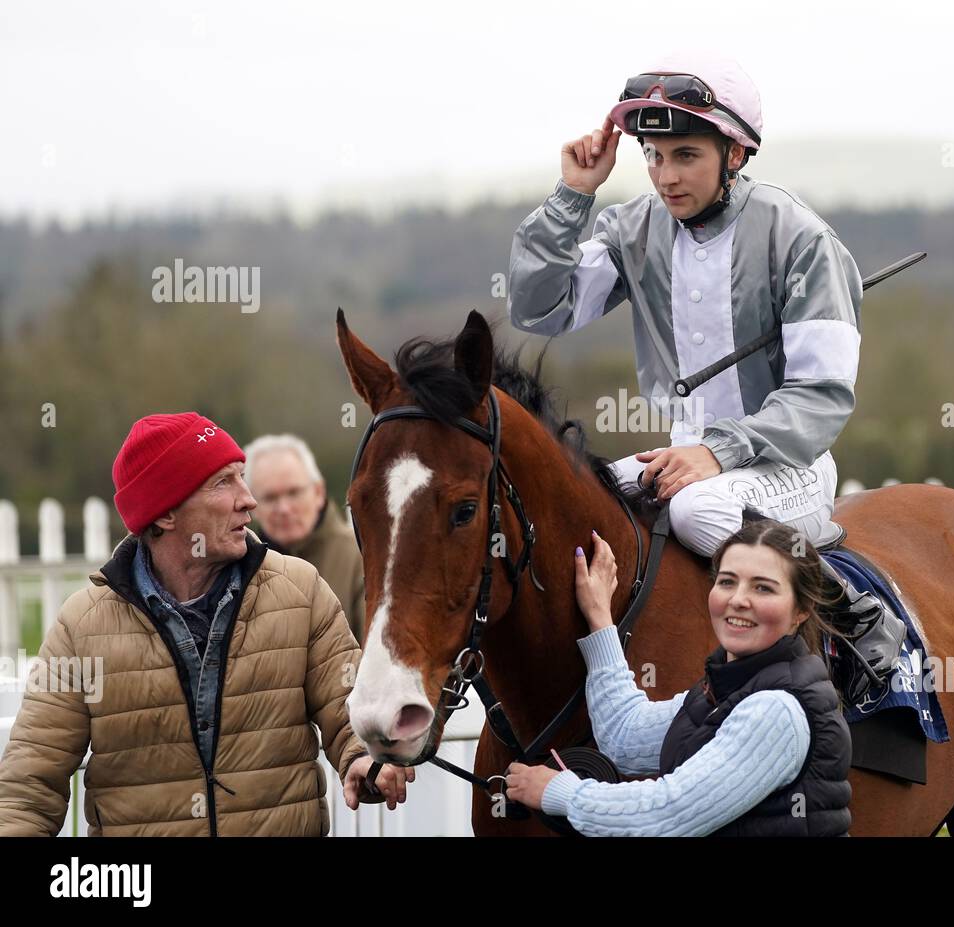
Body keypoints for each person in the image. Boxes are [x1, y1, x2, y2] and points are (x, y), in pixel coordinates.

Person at [506, 50, 905, 678]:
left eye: (686, 156)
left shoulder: (801, 239)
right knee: (579, 501)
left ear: (736, 153)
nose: (666, 177)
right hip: (689, 460)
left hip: (788, 468)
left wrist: (717, 453)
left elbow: (821, 397)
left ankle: (847, 610)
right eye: (655, 158)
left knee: (696, 511)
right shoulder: (634, 228)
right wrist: (570, 197)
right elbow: (539, 309)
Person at [0, 412, 412, 836]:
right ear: (164, 515)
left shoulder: (300, 591)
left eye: (241, 477)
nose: (249, 499)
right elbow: (29, 786)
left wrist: (364, 758)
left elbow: (348, 712)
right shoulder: (82, 626)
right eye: (222, 483)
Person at [504, 518, 852, 836]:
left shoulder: (775, 709)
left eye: (763, 588)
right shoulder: (722, 691)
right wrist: (600, 620)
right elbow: (624, 736)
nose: (738, 600)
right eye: (727, 582)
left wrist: (558, 791)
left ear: (801, 611)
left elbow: (665, 816)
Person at [243, 433, 367, 642]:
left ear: (318, 492)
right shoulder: (241, 568)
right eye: (270, 497)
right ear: (252, 505)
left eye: (293, 493)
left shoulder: (362, 554)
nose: (283, 508)